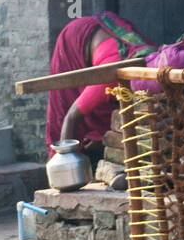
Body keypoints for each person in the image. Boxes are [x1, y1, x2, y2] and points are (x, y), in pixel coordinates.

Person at [45, 13, 156, 159]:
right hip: (75, 38)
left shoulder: (153, 69)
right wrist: (65, 161)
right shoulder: (115, 74)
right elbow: (70, 118)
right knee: (65, 98)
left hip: (111, 30)